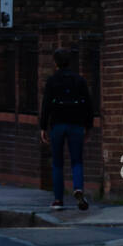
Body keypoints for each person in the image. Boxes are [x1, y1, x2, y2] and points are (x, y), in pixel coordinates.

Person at [40, 48, 94, 210]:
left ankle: (58, 199)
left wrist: (43, 127)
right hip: (76, 124)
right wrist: (88, 126)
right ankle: (78, 188)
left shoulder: (52, 81)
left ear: (55, 63)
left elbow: (46, 105)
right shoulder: (79, 80)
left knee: (57, 163)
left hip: (57, 125)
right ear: (69, 62)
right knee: (77, 160)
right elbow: (88, 104)